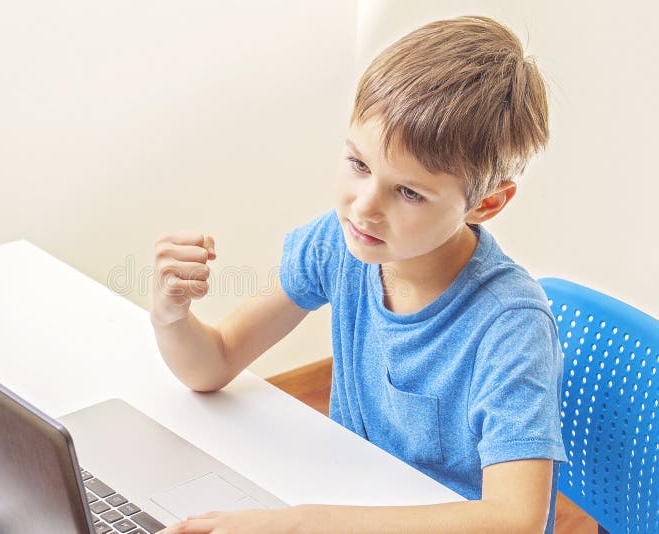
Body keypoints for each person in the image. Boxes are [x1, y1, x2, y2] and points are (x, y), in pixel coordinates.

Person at [150, 15, 567, 534]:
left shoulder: (510, 325)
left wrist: (301, 525)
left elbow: (515, 520)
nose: (364, 208)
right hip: (352, 506)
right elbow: (212, 365)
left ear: (487, 203)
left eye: (409, 192)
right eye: (359, 164)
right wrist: (170, 315)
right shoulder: (339, 245)